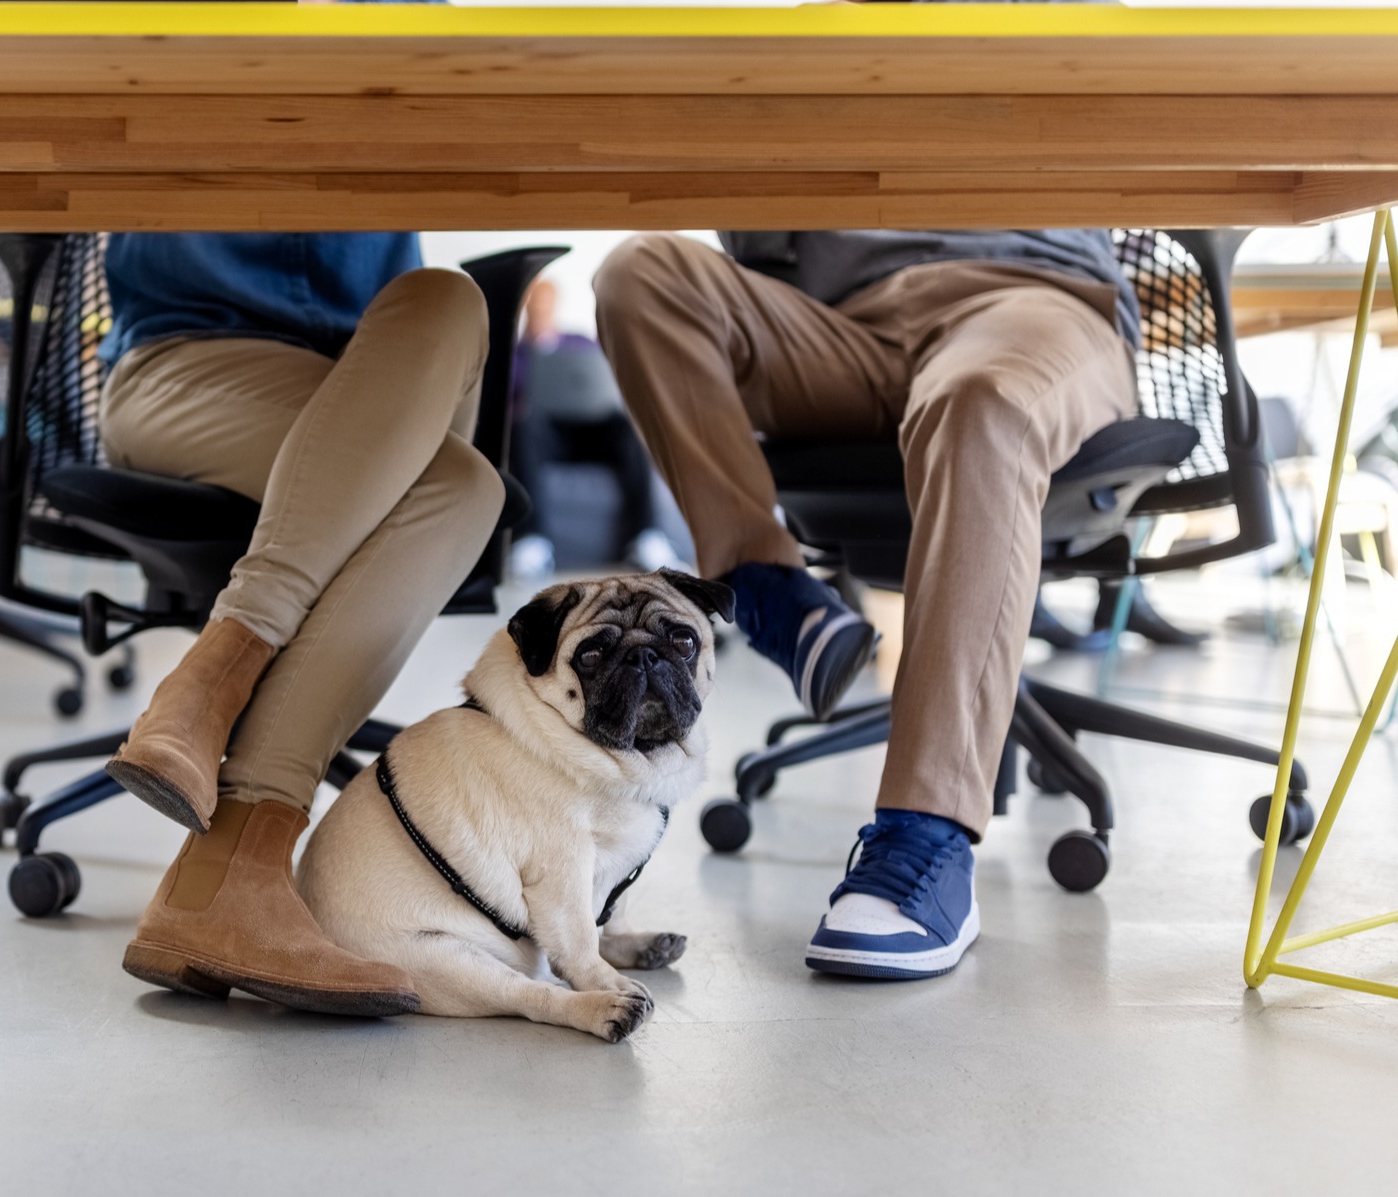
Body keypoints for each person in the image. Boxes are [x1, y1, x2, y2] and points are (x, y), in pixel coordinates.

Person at [594, 227, 1140, 980]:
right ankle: (763, 582)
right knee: (640, 275)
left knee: (983, 403)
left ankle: (927, 834)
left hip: (1029, 300)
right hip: (841, 323)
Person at [97, 232, 504, 1016]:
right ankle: (229, 860)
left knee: (447, 299)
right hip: (187, 370)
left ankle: (203, 706)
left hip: (378, 372)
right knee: (456, 488)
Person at [505, 279, 680, 580]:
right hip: (548, 436)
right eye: (534, 305)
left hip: (593, 432)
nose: (540, 311)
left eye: (545, 304)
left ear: (554, 305)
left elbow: (609, 383)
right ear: (525, 308)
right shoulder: (515, 353)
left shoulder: (582, 344)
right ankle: (532, 542)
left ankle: (647, 538)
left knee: (627, 426)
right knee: (524, 425)